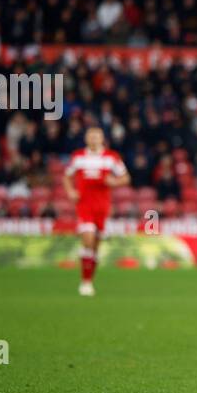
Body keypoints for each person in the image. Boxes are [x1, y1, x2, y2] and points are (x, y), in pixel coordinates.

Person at [63, 126, 129, 296]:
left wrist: (114, 182)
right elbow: (66, 175)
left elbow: (126, 177)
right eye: (90, 135)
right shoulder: (78, 157)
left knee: (96, 247)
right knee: (88, 239)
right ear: (86, 138)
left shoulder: (111, 157)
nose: (93, 139)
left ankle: (89, 280)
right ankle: (84, 282)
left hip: (102, 207)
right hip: (84, 205)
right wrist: (70, 191)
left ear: (102, 139)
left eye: (96, 136)